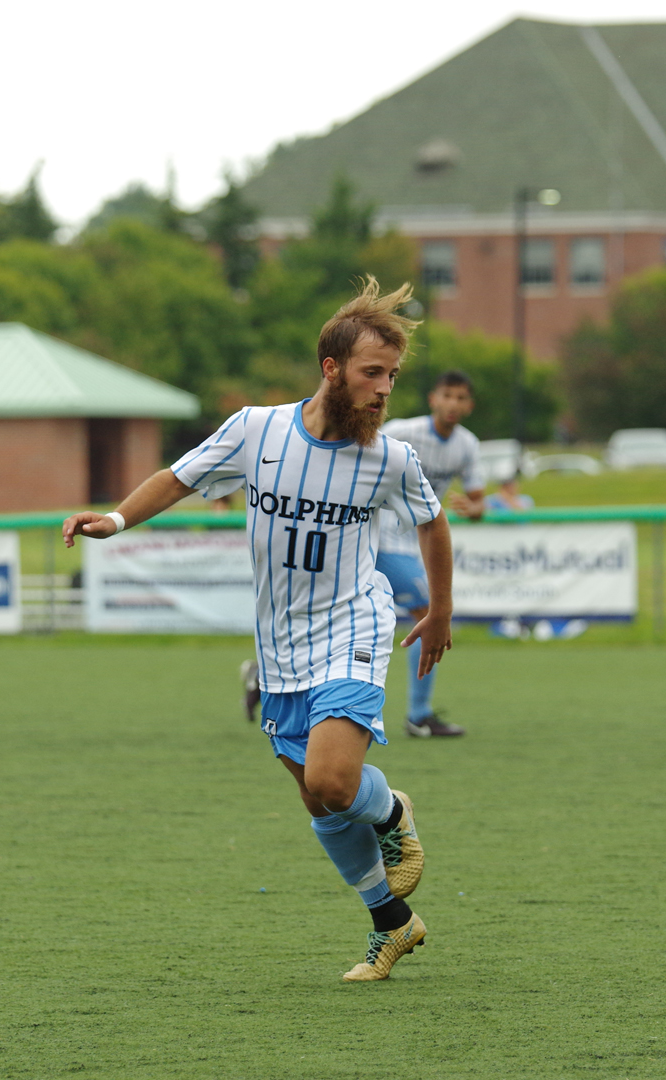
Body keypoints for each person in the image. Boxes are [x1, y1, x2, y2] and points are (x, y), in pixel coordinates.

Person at [64, 278, 450, 981]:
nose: (385, 390)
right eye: (372, 373)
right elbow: (180, 478)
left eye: (392, 377)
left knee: (337, 782)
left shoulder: (389, 457)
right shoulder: (256, 429)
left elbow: (432, 521)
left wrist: (440, 609)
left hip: (353, 626)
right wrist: (114, 519)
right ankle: (392, 925)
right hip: (279, 642)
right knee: (317, 797)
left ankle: (393, 812)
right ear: (331, 370)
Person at [377, 370, 485, 737]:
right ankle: (418, 715)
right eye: (447, 395)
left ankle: (264, 680)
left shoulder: (467, 445)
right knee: (428, 611)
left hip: (414, 542)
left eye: (461, 397)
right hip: (377, 538)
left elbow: (477, 502)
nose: (453, 403)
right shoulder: (404, 432)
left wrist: (474, 511)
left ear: (469, 405)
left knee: (341, 615)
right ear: (433, 399)